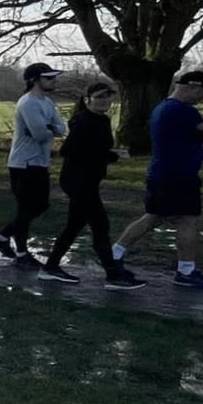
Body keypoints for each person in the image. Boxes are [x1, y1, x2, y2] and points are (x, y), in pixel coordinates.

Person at [112, 70, 203, 289]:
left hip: (162, 173)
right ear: (193, 88)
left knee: (153, 218)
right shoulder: (184, 111)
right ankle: (186, 272)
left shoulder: (162, 107)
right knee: (189, 220)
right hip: (179, 176)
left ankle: (114, 254)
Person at [42, 82, 143, 288]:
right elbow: (70, 150)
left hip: (87, 181)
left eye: (107, 97)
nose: (104, 100)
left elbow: (95, 149)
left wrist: (109, 155)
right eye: (99, 97)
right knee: (100, 225)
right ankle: (113, 276)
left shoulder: (100, 119)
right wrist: (110, 156)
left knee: (75, 226)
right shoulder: (84, 121)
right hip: (78, 181)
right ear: (87, 100)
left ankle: (50, 268)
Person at [0, 64, 68, 270]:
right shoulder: (28, 103)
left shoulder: (47, 102)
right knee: (26, 208)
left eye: (53, 78)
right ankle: (21, 253)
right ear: (34, 80)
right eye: (48, 78)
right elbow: (40, 134)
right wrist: (51, 127)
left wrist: (50, 127)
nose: (53, 81)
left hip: (39, 162)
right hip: (23, 163)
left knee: (40, 205)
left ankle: (1, 237)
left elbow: (62, 127)